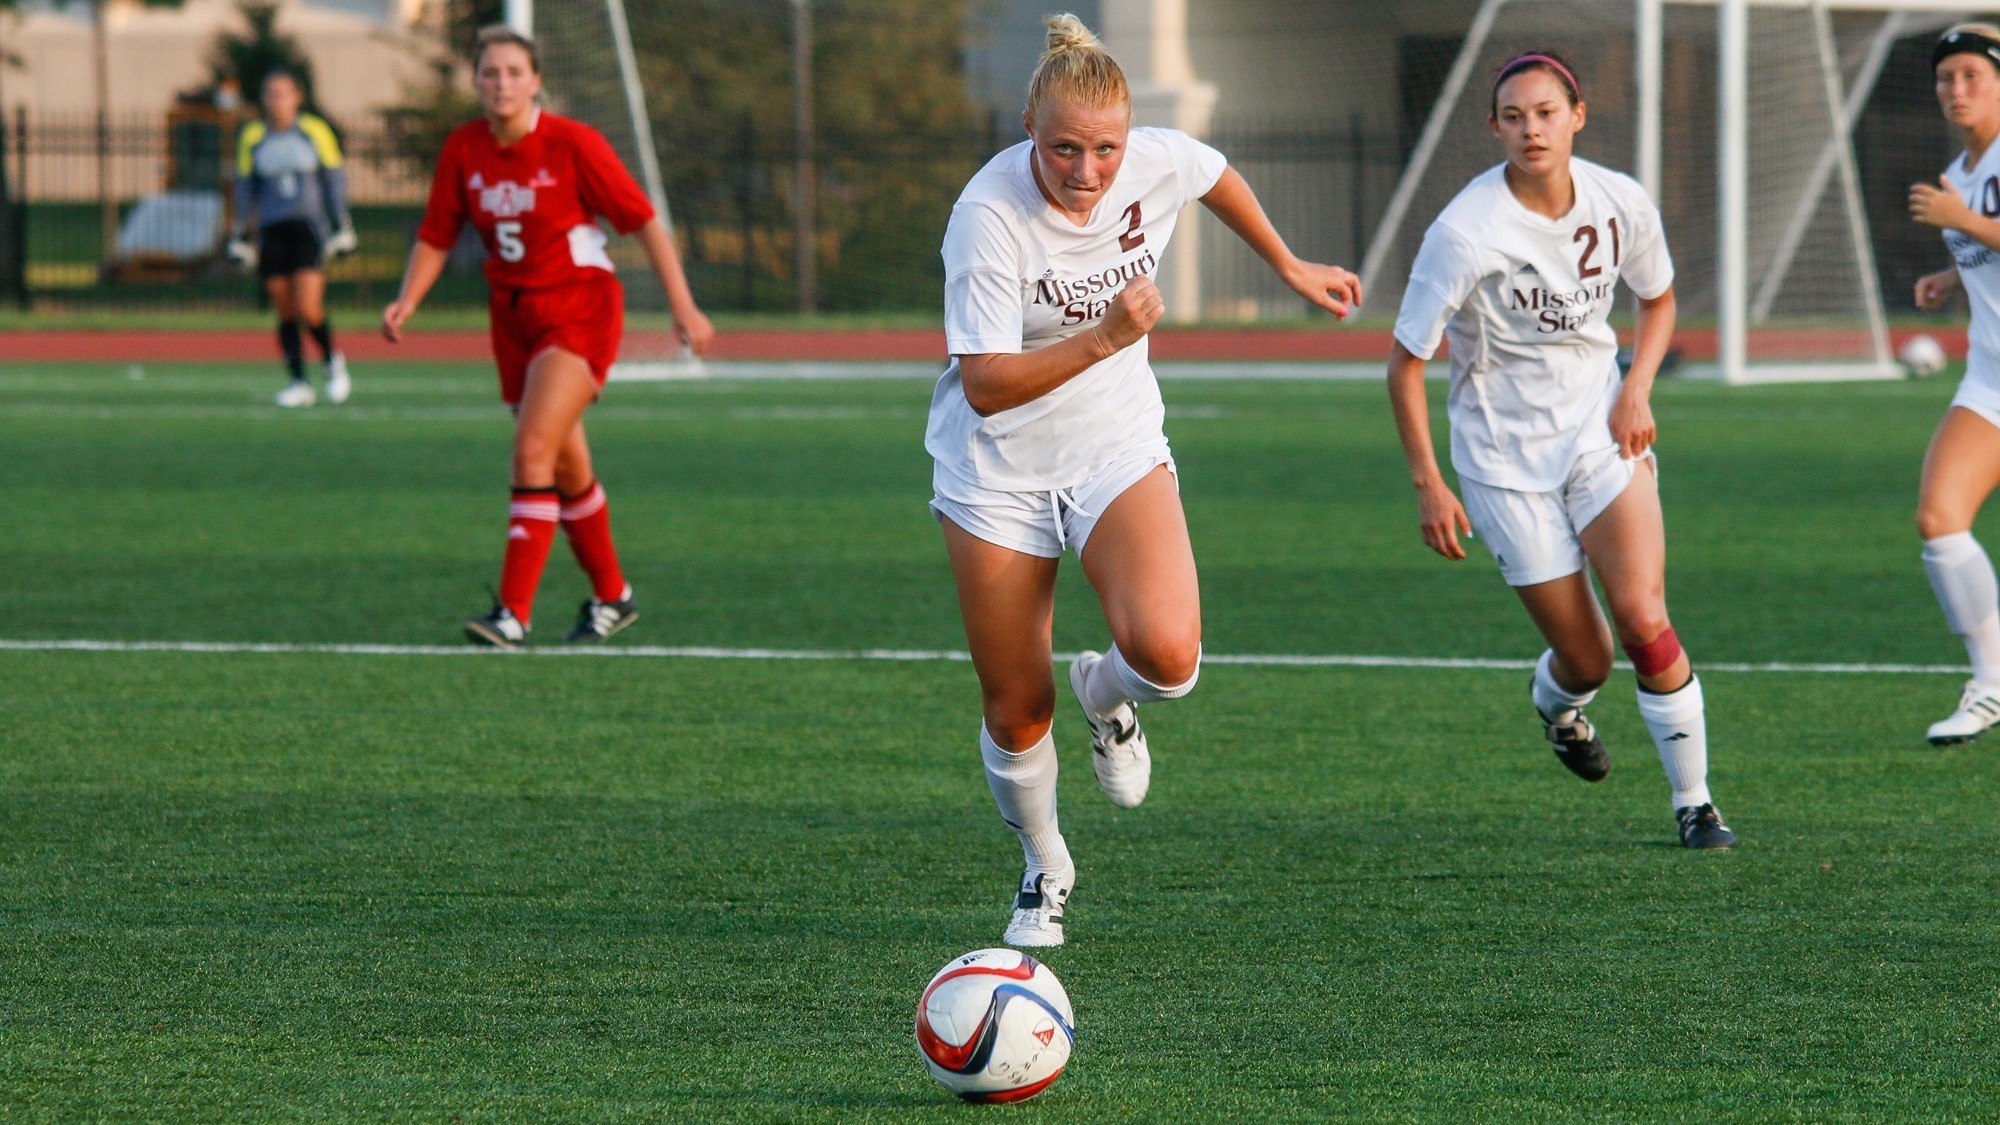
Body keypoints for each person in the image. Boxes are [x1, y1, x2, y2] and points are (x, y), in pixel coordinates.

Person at [931, 13, 1363, 947]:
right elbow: (987, 385)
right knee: (1017, 706)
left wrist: (1289, 264)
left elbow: (1211, 172)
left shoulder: (1153, 158)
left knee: (1170, 657)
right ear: (1028, 129)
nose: (1087, 172)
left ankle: (1106, 694)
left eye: (1106, 150)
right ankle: (1044, 864)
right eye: (1063, 150)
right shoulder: (988, 215)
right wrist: (1107, 336)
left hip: (1112, 443)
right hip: (995, 468)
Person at [1385, 51, 1736, 849]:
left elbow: (1658, 299)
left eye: (1546, 113)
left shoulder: (1620, 200)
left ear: (1577, 115)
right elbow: (1404, 364)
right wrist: (1429, 483)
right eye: (1514, 117)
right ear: (1494, 128)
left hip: (1597, 432)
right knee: (1587, 658)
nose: (1531, 129)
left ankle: (1696, 803)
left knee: (1644, 617)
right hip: (1503, 461)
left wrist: (1636, 388)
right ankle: (1559, 707)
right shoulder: (1464, 232)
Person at [380, 25, 713, 647]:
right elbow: (436, 234)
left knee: (532, 447)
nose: (501, 84)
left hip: (578, 308)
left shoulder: (573, 143)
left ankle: (512, 613)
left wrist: (682, 306)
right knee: (566, 465)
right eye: (489, 73)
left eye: (514, 72)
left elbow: (644, 222)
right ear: (475, 81)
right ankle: (613, 596)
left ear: (536, 81)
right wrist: (409, 298)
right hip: (513, 318)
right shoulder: (464, 149)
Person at [1909, 24, 2000, 746]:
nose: (1957, 88)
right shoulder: (1959, 173)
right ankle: (1992, 684)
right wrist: (1950, 274)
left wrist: (1961, 221)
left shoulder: (1964, 191)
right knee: (1940, 518)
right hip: (1990, 380)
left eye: (1973, 74)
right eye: (1947, 77)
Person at [230, 69, 357, 407]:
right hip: (272, 229)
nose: (276, 101)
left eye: (283, 93)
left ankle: (331, 359)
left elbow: (333, 179)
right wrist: (240, 232)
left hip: (308, 228)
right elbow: (245, 187)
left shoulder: (313, 131)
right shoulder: (253, 136)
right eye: (270, 94)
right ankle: (299, 381)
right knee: (284, 308)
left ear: (297, 97)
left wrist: (342, 224)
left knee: (307, 306)